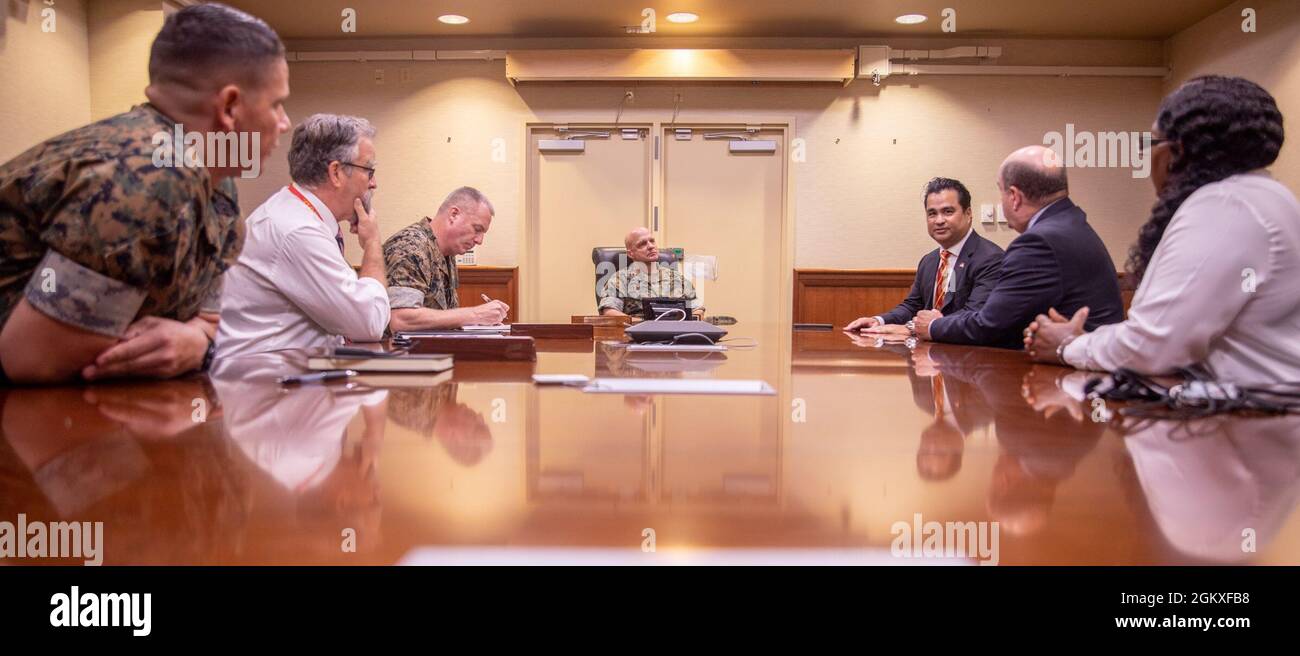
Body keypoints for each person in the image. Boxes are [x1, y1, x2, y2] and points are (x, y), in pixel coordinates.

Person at [0, 2, 291, 383]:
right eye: (276, 104)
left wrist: (197, 342)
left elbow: (210, 324)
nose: (285, 123)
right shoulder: (149, 178)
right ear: (230, 107)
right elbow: (34, 362)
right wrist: (194, 342)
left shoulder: (216, 188)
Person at [1026, 76, 1300, 385]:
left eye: (1150, 144)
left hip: (1249, 421)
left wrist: (1067, 345)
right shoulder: (1269, 197)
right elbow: (1168, 331)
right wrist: (1083, 339)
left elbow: (1151, 348)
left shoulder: (1223, 206)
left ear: (1177, 151)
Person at [911, 145, 1125, 348]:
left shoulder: (1038, 243)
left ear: (1014, 197)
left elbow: (990, 325)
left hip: (1076, 373)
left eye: (1001, 193)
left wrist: (932, 326)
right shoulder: (1069, 224)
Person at [215, 114, 388, 359]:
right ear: (336, 172)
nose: (374, 183)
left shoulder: (300, 216)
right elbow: (369, 323)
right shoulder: (297, 230)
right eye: (369, 171)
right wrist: (371, 244)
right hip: (269, 384)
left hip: (291, 376)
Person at [846, 177, 1003, 332]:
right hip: (929, 353)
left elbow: (974, 315)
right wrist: (878, 321)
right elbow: (912, 306)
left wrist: (912, 329)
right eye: (932, 213)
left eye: (948, 211)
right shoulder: (929, 261)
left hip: (970, 354)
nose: (939, 220)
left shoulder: (990, 259)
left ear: (968, 214)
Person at [383, 187, 509, 331]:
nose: (479, 240)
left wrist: (479, 322)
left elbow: (443, 320)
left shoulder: (447, 252)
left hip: (433, 351)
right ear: (454, 215)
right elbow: (400, 320)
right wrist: (475, 315)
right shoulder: (410, 246)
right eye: (477, 229)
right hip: (399, 352)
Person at [599, 227, 703, 319]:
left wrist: (686, 322)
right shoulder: (620, 279)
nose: (650, 246)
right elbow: (609, 312)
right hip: (638, 336)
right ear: (631, 253)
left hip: (676, 334)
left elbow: (697, 309)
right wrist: (644, 325)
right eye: (642, 244)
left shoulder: (677, 278)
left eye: (652, 241)